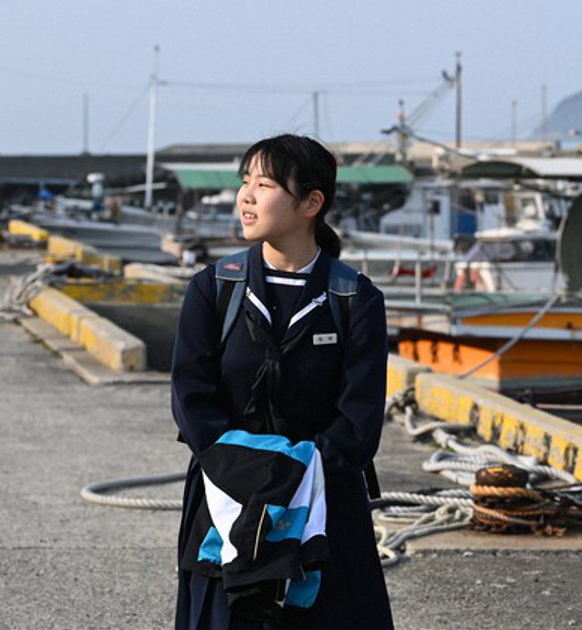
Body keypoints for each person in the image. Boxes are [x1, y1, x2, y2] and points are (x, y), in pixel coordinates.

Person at [171, 134, 393, 629]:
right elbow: (191, 399)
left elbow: (359, 422)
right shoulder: (214, 288)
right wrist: (247, 469)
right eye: (244, 182)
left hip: (325, 504)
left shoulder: (355, 299)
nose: (246, 196)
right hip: (224, 500)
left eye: (264, 183)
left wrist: (299, 472)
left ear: (312, 202)